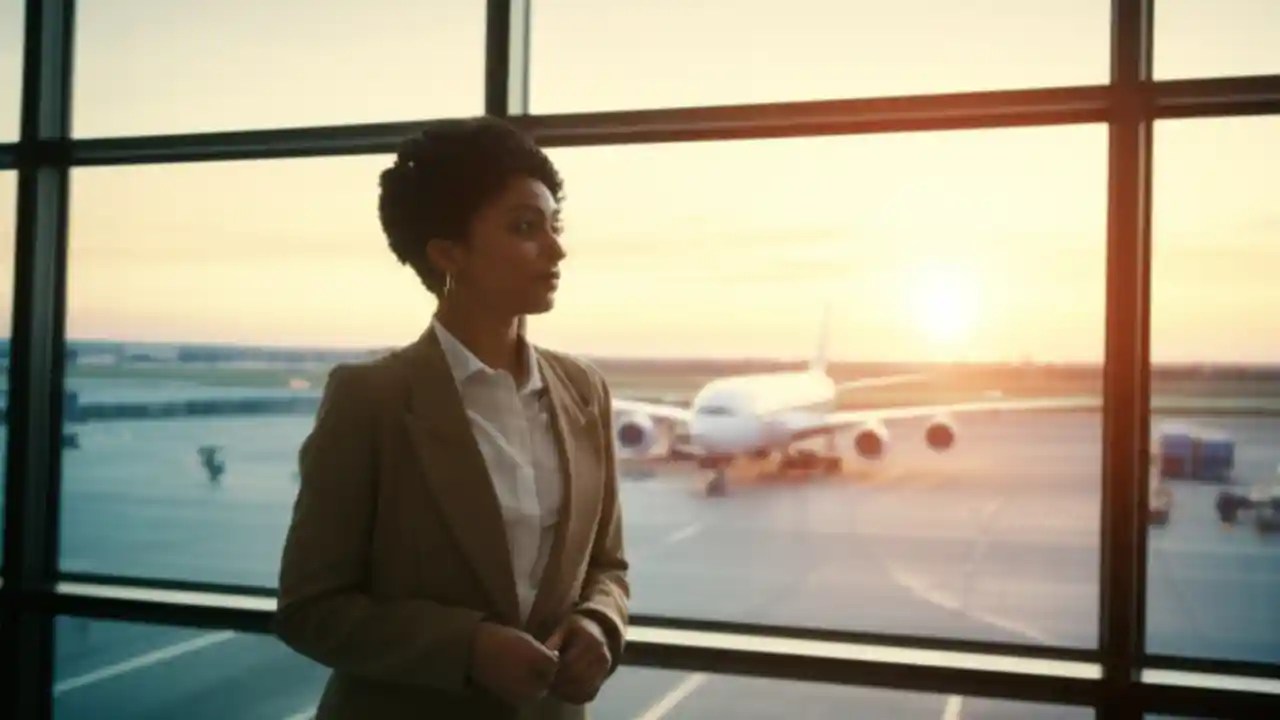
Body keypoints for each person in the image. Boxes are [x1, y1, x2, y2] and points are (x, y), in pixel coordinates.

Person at [275, 117, 629, 719]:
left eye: (554, 225)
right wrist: (465, 648)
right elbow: (311, 607)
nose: (556, 248)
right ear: (448, 253)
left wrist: (599, 624)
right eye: (525, 227)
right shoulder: (372, 399)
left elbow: (608, 565)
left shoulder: (583, 390)